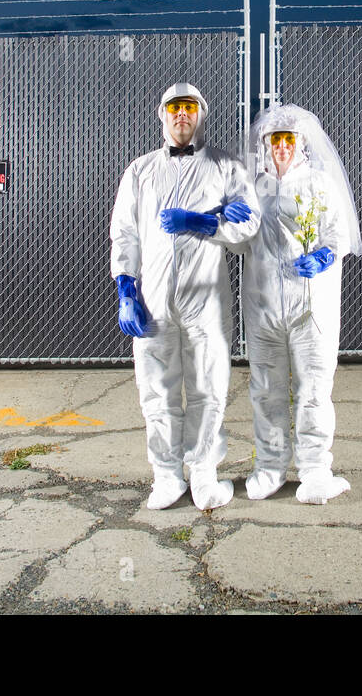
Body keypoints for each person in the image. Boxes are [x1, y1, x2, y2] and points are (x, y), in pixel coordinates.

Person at [109, 82, 260, 511]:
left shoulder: (227, 168)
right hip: (153, 299)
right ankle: (167, 476)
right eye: (174, 108)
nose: (181, 116)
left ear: (200, 114)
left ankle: (206, 475)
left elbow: (248, 230)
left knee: (208, 387)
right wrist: (125, 288)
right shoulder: (140, 171)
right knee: (155, 389)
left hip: (206, 299)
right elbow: (125, 232)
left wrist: (202, 222)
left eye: (189, 108)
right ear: (162, 114)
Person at [240, 104, 362, 504]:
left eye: (288, 139)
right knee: (266, 389)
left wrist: (325, 256)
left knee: (313, 388)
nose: (281, 147)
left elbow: (338, 235)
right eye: (274, 140)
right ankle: (271, 466)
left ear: (301, 143)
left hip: (311, 307)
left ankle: (314, 470)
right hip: (263, 306)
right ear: (265, 144)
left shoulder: (319, 183)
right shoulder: (253, 186)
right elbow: (239, 241)